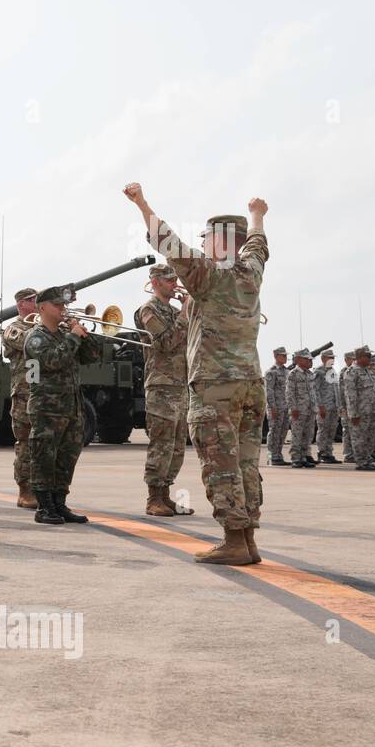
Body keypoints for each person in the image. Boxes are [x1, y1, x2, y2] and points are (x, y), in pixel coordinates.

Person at [126, 183, 269, 565]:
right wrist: (257, 214)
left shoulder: (209, 274)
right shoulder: (251, 272)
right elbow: (258, 245)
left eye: (206, 238)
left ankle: (234, 541)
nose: (202, 244)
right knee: (245, 464)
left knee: (220, 465)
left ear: (221, 241)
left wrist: (142, 202)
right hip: (251, 383)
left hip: (215, 386)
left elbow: (166, 240)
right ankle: (248, 538)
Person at [24, 287, 102, 525]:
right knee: (44, 457)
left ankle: (60, 502)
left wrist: (82, 334)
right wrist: (74, 337)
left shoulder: (63, 334)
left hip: (71, 407)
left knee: (67, 458)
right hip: (46, 407)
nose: (62, 309)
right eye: (57, 305)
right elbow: (53, 361)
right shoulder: (36, 337)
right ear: (43, 308)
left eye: (63, 305)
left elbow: (93, 356)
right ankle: (44, 506)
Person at [134, 264, 194, 515]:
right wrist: (184, 314)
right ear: (156, 282)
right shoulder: (149, 310)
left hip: (180, 384)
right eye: (169, 281)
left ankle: (165, 493)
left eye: (174, 280)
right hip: (161, 385)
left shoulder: (172, 310)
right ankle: (153, 498)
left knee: (178, 444)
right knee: (162, 443)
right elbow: (166, 343)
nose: (174, 284)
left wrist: (190, 311)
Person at [1, 288, 39, 508]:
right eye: (30, 300)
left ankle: (42, 488)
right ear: (20, 305)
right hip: (24, 393)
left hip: (44, 393)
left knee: (43, 444)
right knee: (25, 444)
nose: (35, 303)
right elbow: (30, 343)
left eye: (36, 300)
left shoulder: (43, 326)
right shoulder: (13, 328)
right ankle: (25, 490)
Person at [343, 346, 375, 471]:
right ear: (359, 357)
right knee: (359, 438)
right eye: (367, 356)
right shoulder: (351, 372)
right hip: (360, 413)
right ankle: (361, 462)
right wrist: (353, 414)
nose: (370, 358)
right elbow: (350, 394)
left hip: (372, 411)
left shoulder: (369, 372)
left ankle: (367, 460)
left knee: (370, 438)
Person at [285, 349, 316, 468]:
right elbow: (289, 393)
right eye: (306, 359)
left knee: (307, 436)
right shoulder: (293, 374)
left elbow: (313, 392)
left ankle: (303, 457)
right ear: (298, 359)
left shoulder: (310, 374)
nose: (309, 361)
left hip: (310, 409)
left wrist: (315, 407)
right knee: (297, 435)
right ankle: (296, 458)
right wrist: (293, 408)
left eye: (309, 359)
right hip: (298, 410)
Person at [312, 349, 341, 463]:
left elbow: (335, 389)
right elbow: (315, 390)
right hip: (324, 406)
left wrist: (339, 405)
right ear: (323, 358)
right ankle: (322, 453)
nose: (332, 359)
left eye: (333, 357)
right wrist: (320, 406)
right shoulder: (318, 371)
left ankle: (329, 453)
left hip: (334, 406)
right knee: (323, 429)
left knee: (331, 430)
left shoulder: (333, 371)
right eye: (329, 357)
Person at [264, 347, 290, 465]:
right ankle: (271, 456)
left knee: (283, 432)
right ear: (276, 356)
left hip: (285, 407)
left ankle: (278, 455)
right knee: (274, 432)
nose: (285, 358)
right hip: (275, 407)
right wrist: (272, 407)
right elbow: (269, 391)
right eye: (282, 355)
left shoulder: (287, 372)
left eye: (285, 356)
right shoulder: (271, 372)